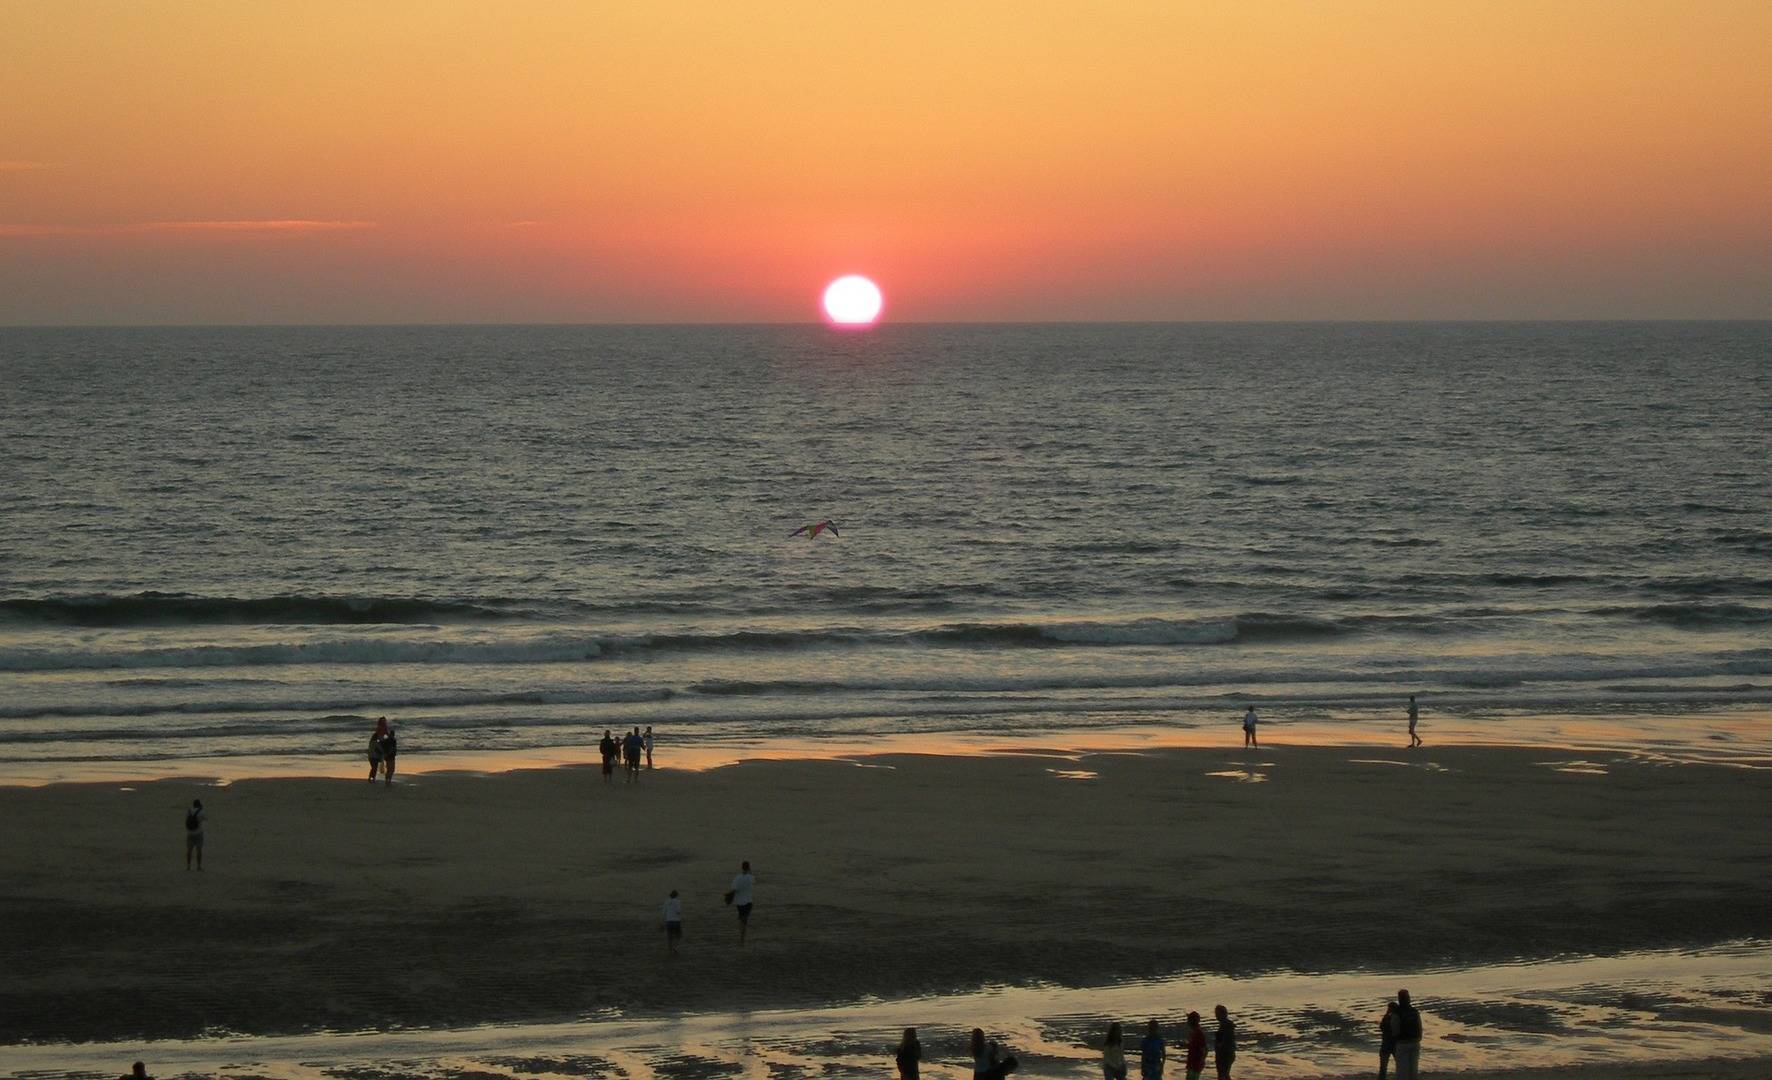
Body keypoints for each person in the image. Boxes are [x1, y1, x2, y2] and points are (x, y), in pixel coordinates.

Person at [1392, 990, 1422, 1079]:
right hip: (1415, 1041)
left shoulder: (1397, 1012)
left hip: (1402, 1042)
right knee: (1413, 1069)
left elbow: (1395, 1029)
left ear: (1399, 999)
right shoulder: (1414, 1011)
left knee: (1402, 1070)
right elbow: (1419, 1026)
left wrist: (1395, 1040)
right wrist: (1419, 1037)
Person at [727, 860, 756, 942]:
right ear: (749, 867)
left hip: (739, 902)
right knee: (745, 919)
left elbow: (734, 889)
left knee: (742, 918)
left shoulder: (737, 878)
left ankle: (742, 936)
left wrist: (728, 897)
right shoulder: (751, 878)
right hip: (748, 901)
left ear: (741, 867)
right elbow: (753, 880)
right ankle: (742, 937)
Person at [1212, 1005, 1236, 1080]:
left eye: (1217, 1013)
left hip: (1225, 1054)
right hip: (1226, 1054)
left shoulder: (1226, 1026)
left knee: (1222, 1075)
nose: (1216, 1016)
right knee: (1225, 1074)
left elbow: (1225, 1041)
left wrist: (1219, 1047)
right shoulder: (1225, 1025)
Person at [1378, 1001, 1400, 1080]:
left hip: (1386, 1044)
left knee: (1383, 1067)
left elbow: (1381, 1027)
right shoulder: (1397, 1017)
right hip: (1394, 1044)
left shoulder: (1386, 1017)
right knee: (1399, 1064)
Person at [184, 799, 205, 871]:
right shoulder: (201, 812)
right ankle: (198, 866)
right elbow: (205, 818)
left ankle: (188, 866)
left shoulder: (188, 811)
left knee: (189, 850)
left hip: (189, 833)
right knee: (199, 850)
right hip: (198, 833)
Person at [1184, 1012, 1206, 1080]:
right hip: (1193, 1064)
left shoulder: (1198, 1033)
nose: (1187, 1022)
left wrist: (1201, 1061)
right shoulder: (1194, 1033)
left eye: (1188, 1020)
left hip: (1195, 1065)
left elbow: (1203, 1049)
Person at [662, 889, 683, 956]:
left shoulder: (666, 901)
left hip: (669, 921)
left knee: (670, 936)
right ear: (676, 896)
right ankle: (675, 947)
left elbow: (663, 913)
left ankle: (670, 950)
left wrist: (663, 921)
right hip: (676, 921)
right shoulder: (678, 901)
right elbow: (678, 911)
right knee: (678, 936)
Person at [367, 716, 388, 781]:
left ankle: (372, 777)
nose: (383, 721)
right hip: (378, 743)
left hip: (380, 743)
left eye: (384, 720)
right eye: (382, 720)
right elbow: (379, 735)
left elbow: (386, 734)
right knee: (374, 766)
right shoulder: (379, 727)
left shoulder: (384, 727)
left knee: (375, 766)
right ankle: (372, 777)